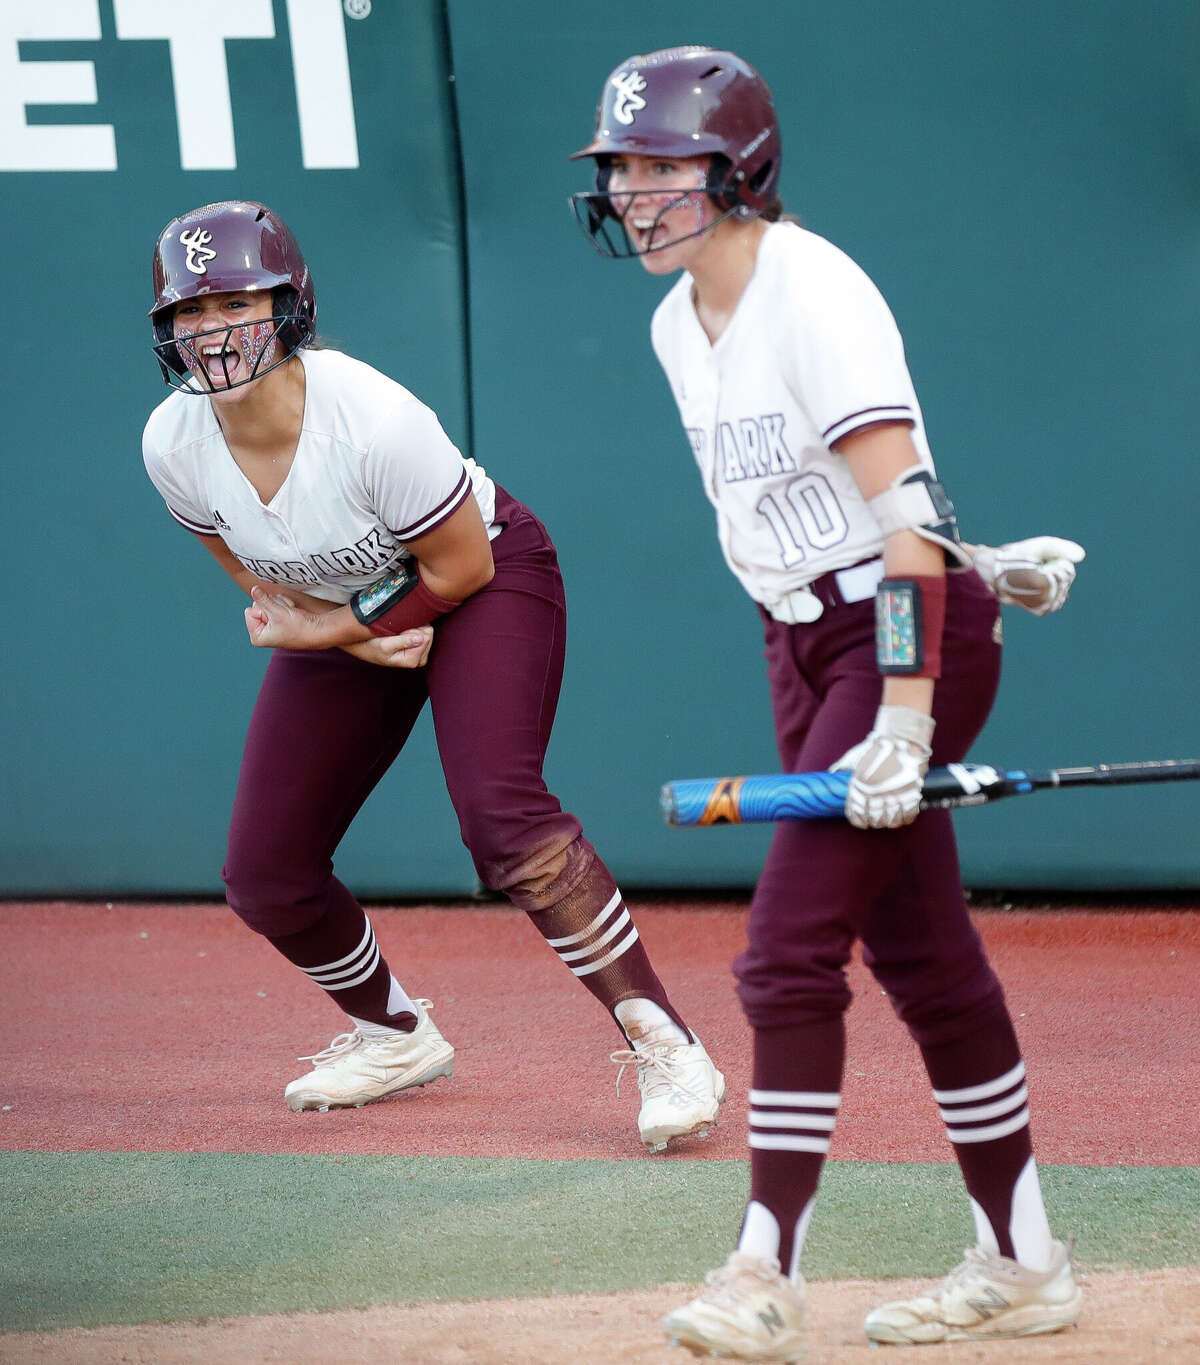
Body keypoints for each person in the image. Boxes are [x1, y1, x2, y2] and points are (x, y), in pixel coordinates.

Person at [569, 48, 1085, 1359]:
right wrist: (959, 567)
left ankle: (763, 1268)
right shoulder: (674, 321)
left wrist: (906, 716)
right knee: (923, 955)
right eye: (621, 168)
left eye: (661, 166)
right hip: (800, 642)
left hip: (893, 636)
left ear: (738, 172)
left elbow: (901, 531)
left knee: (784, 949)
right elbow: (818, 517)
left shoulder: (816, 291)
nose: (635, 192)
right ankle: (1024, 1261)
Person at [140, 198, 725, 1154]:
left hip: (484, 575)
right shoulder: (172, 443)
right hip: (352, 615)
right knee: (264, 873)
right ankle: (396, 1032)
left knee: (504, 819)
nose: (213, 330)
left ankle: (666, 1042)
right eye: (190, 312)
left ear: (291, 306)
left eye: (238, 302)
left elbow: (460, 573)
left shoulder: (373, 420)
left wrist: (341, 628)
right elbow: (255, 578)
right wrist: (347, 636)